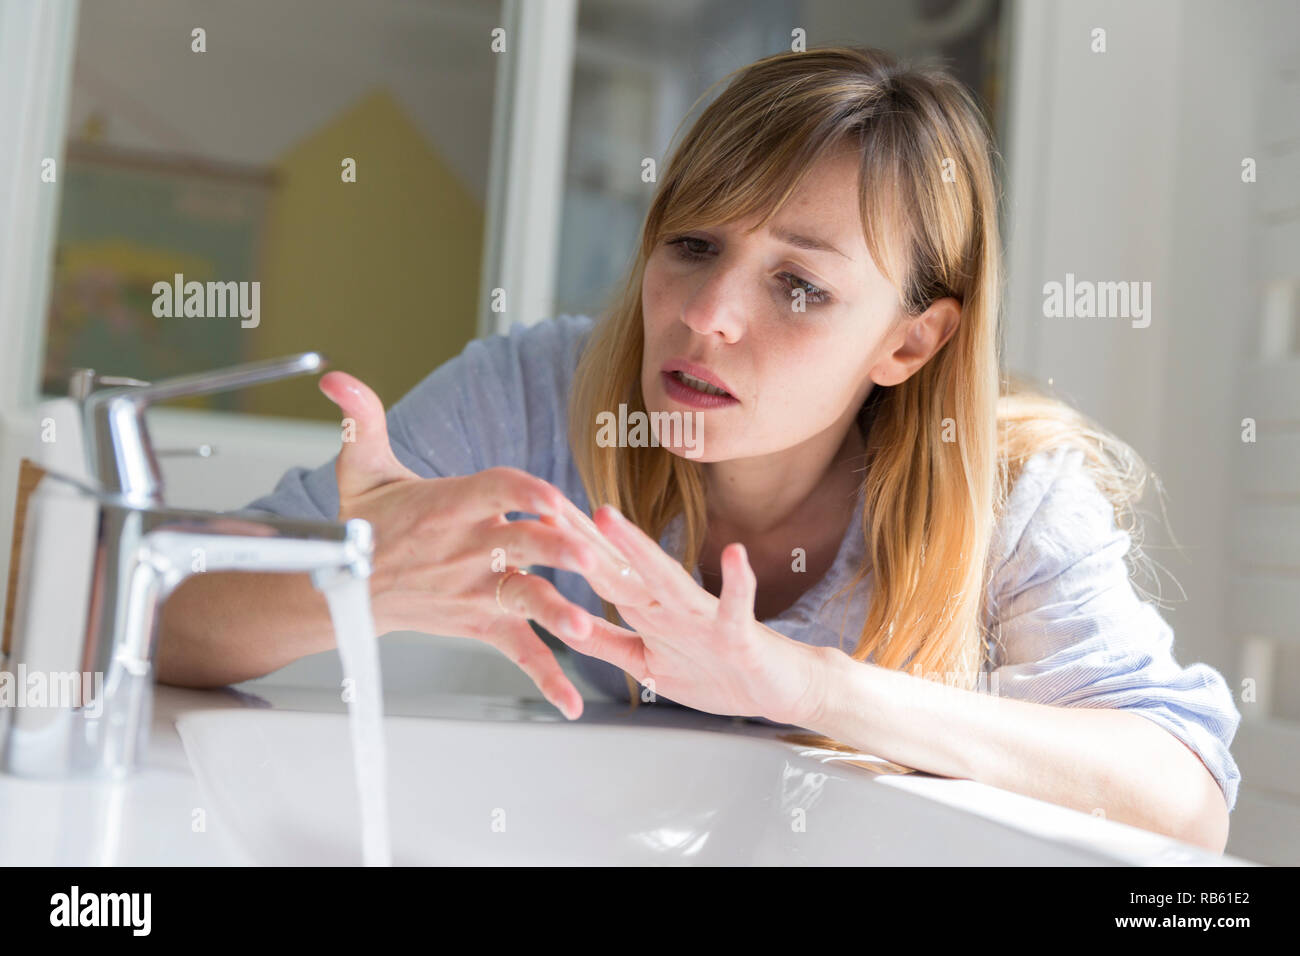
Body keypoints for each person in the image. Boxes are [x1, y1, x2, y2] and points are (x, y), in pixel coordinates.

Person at [157, 46, 1240, 852]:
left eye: (799, 284)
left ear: (910, 340)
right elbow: (166, 620)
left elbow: (1182, 792)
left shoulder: (1006, 488)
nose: (706, 312)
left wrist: (804, 685)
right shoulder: (536, 396)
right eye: (693, 243)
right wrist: (364, 576)